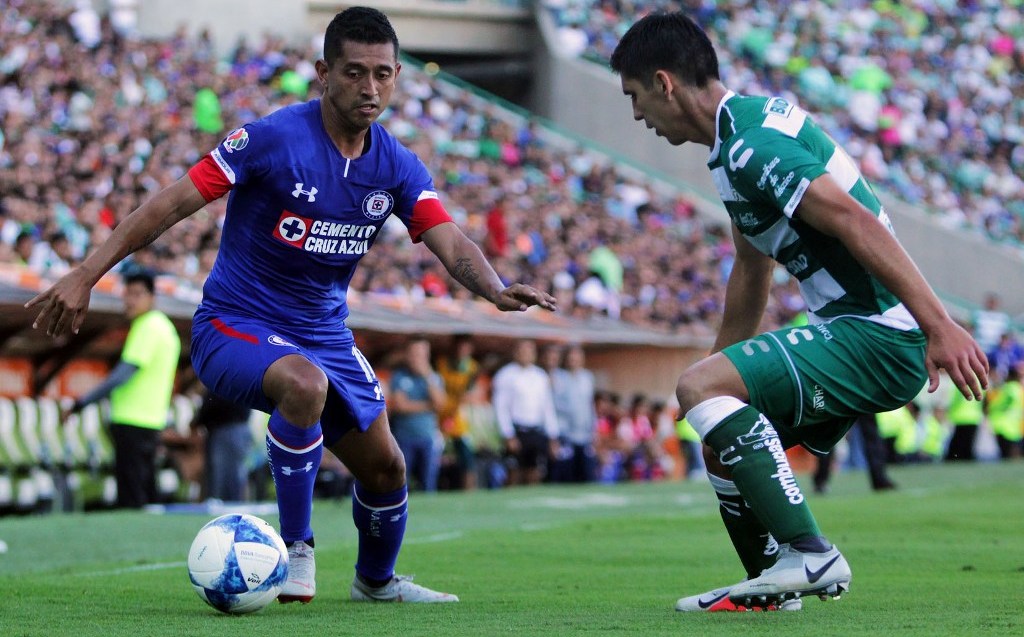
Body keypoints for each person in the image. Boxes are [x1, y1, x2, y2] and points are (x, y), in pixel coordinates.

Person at [27, 6, 555, 605]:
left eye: (383, 74)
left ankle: (375, 583)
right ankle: (296, 549)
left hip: (326, 334)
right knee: (303, 384)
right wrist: (86, 273)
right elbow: (169, 205)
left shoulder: (396, 165)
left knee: (387, 469)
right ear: (322, 72)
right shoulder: (271, 139)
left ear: (398, 75)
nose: (370, 87)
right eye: (355, 73)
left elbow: (449, 236)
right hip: (234, 325)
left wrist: (492, 287)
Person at [609, 12, 988, 612]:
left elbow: (852, 220)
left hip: (879, 335)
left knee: (700, 389)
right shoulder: (739, 140)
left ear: (664, 83)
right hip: (857, 331)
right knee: (715, 441)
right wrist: (713, 383)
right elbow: (750, 273)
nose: (635, 116)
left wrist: (938, 323)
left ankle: (810, 552)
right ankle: (772, 587)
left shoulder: (752, 147)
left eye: (633, 97)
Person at [62, 270, 181, 509]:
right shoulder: (166, 328)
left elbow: (121, 375)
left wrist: (80, 403)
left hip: (132, 419)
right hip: (152, 419)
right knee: (147, 492)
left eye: (137, 294)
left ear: (152, 297)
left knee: (131, 497)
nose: (130, 300)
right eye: (127, 294)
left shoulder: (148, 326)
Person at [491, 339, 560, 485]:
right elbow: (501, 407)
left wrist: (553, 435)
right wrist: (508, 434)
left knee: (534, 471)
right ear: (515, 353)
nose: (525, 354)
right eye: (522, 351)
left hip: (535, 430)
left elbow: (547, 407)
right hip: (517, 430)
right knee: (514, 473)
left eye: (529, 351)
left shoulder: (540, 376)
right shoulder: (506, 375)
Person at [387, 337, 446, 492]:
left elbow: (440, 404)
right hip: (404, 437)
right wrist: (428, 406)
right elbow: (400, 406)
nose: (417, 359)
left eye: (421, 355)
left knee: (428, 482)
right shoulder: (399, 376)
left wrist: (427, 376)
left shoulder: (434, 378)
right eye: (414, 354)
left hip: (428, 437)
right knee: (401, 481)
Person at [547, 344, 598, 483]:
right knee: (566, 473)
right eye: (571, 357)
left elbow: (590, 405)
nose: (573, 360)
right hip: (565, 433)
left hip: (584, 434)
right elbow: (552, 404)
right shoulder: (558, 377)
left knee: (587, 473)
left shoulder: (587, 377)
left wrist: (594, 429)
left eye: (577, 357)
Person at [435, 334, 480, 490]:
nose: (462, 351)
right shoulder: (441, 364)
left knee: (466, 456)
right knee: (438, 456)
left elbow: (470, 394)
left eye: (466, 347)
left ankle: (469, 490)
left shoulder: (472, 368)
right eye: (459, 347)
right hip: (440, 416)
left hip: (459, 419)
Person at [193, 388, 253, 502]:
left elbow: (211, 404)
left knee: (222, 474)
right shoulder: (242, 378)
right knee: (236, 472)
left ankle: (225, 506)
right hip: (240, 428)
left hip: (225, 429)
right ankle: (234, 504)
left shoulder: (223, 381)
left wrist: (197, 422)